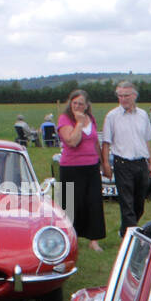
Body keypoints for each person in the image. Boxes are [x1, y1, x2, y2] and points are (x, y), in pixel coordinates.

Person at [101, 82, 151, 237]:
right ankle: (131, 237)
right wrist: (106, 165)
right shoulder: (112, 116)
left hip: (141, 163)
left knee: (139, 204)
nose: (123, 99)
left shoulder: (143, 115)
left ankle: (124, 230)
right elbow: (106, 143)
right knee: (127, 203)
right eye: (120, 96)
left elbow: (146, 140)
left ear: (134, 96)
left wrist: (150, 161)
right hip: (122, 163)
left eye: (126, 95)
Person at [57, 90, 105, 252]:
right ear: (70, 103)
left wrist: (103, 163)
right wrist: (78, 123)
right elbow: (72, 141)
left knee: (93, 203)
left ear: (87, 105)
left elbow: (95, 142)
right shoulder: (64, 119)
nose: (77, 106)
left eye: (81, 103)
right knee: (70, 205)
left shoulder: (91, 119)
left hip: (91, 166)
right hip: (70, 168)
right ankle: (68, 240)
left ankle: (94, 240)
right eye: (74, 103)